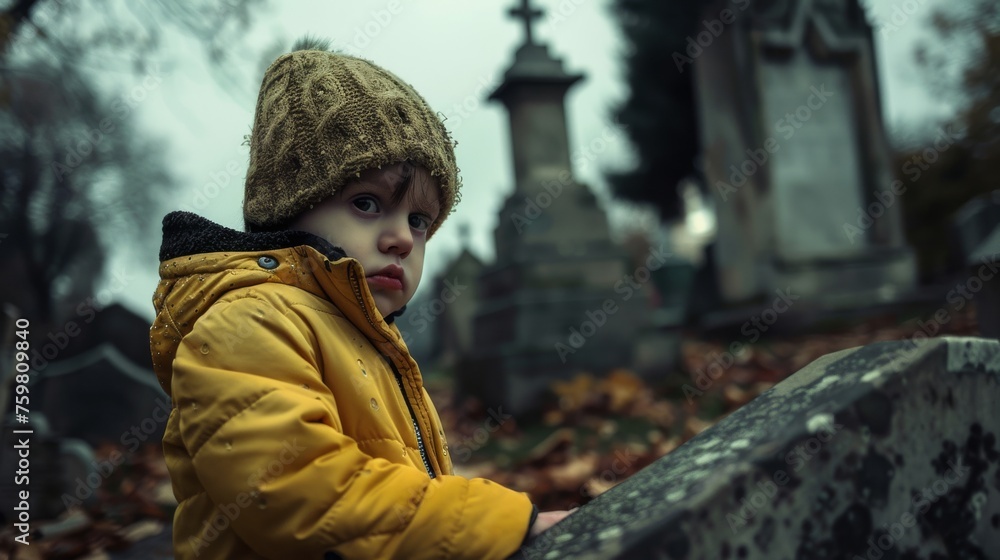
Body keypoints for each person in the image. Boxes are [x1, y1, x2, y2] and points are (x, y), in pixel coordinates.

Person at [149, 38, 572, 559]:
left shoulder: (366, 336)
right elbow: (303, 493)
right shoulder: (244, 324)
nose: (402, 238)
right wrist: (489, 525)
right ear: (289, 211)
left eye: (419, 220)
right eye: (367, 203)